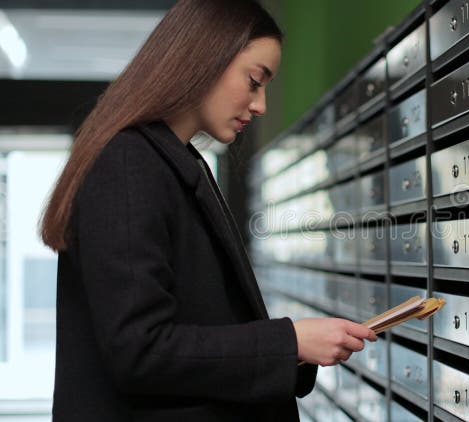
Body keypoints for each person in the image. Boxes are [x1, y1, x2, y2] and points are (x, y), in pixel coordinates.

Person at [38, 1, 376, 420]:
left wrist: (299, 348)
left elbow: (200, 325)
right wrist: (288, 341)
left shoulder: (174, 162)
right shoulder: (129, 162)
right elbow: (140, 350)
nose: (261, 105)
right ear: (204, 59)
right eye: (255, 81)